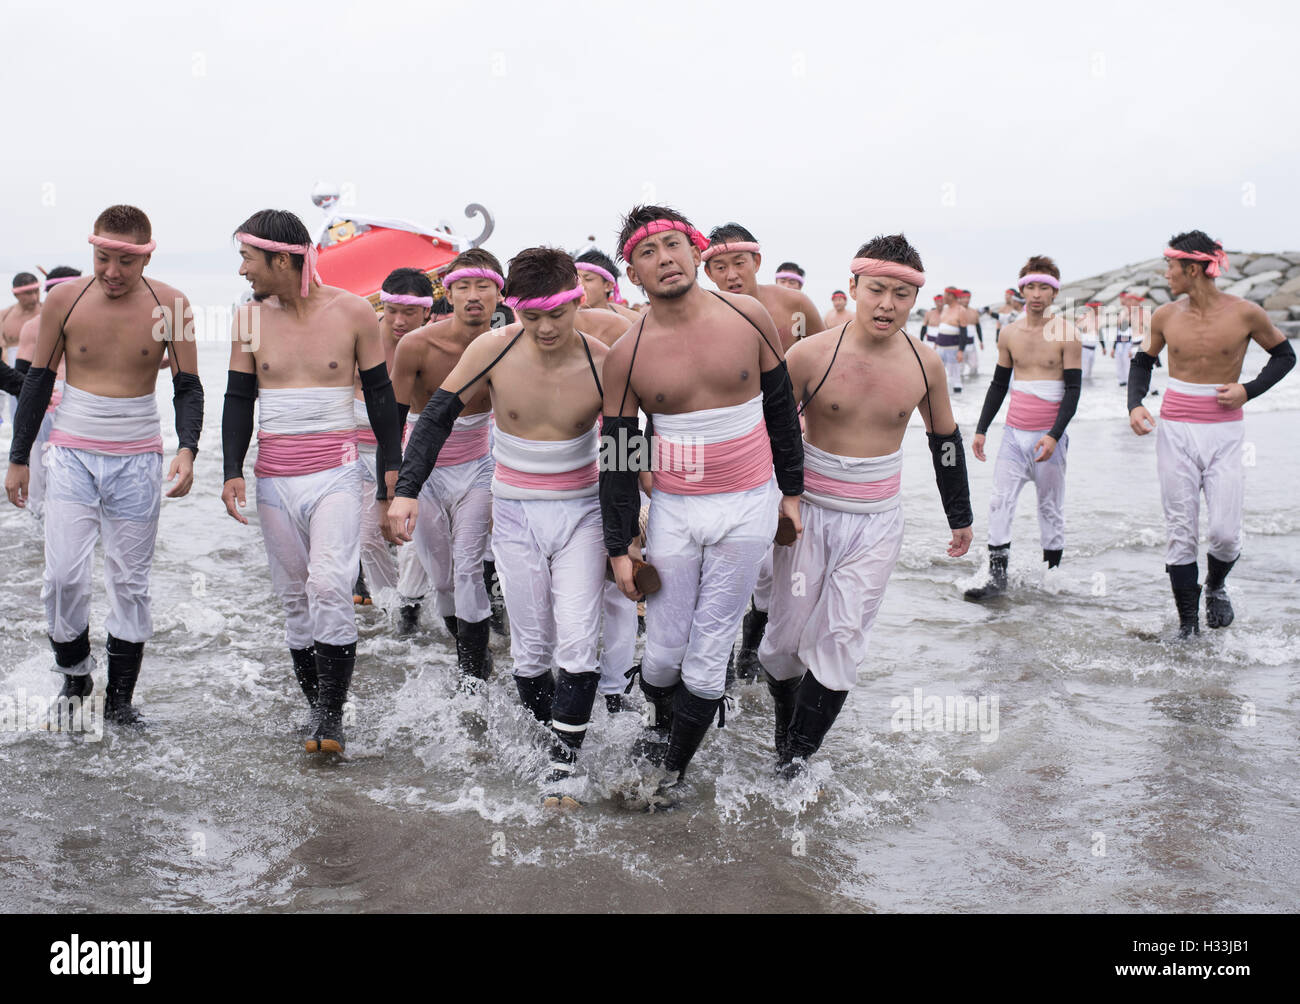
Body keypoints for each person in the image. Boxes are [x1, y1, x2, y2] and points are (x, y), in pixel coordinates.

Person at [389, 248, 610, 797]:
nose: (544, 329)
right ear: (513, 309)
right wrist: (405, 490)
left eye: (556, 314)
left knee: (579, 643)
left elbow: (628, 443)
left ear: (577, 300)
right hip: (513, 510)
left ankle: (564, 766)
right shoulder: (493, 347)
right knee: (531, 651)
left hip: (582, 511)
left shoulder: (606, 360)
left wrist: (632, 524)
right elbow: (436, 416)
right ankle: (548, 741)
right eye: (530, 316)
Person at [601, 205, 803, 793]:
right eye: (647, 252)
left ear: (695, 252)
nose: (664, 258)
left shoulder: (749, 316)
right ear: (633, 274)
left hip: (749, 502)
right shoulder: (627, 355)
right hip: (675, 510)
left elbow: (779, 410)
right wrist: (620, 547)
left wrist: (791, 493)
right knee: (663, 655)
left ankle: (669, 775)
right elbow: (618, 459)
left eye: (673, 245)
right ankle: (667, 723)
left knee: (710, 647)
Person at [761, 235, 972, 775]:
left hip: (876, 520)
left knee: (841, 637)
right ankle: (785, 738)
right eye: (876, 290)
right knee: (783, 644)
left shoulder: (925, 365)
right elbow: (769, 432)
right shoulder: (809, 354)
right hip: (807, 513)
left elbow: (943, 440)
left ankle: (797, 765)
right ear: (853, 287)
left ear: (914, 299)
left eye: (901, 294)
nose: (887, 305)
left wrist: (961, 517)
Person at [4, 205, 203, 726]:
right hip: (70, 453)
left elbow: (187, 385)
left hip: (137, 459)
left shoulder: (173, 305)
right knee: (63, 578)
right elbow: (40, 381)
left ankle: (119, 701)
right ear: (91, 250)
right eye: (101, 258)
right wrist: (19, 456)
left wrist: (187, 447)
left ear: (147, 255)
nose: (112, 272)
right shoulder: (65, 299)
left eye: (125, 261)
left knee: (129, 583)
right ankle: (75, 674)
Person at [222, 209, 403, 754]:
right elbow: (237, 397)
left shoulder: (351, 311)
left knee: (329, 584)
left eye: (248, 259)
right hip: (275, 477)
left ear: (282, 258)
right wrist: (231, 468)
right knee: (294, 598)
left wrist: (392, 466)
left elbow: (377, 394)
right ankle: (315, 709)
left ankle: (331, 715)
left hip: (337, 474)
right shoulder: (248, 317)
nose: (242, 271)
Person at [1127, 230, 1294, 636]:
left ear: (1194, 267)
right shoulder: (1166, 315)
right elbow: (1142, 362)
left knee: (1223, 534)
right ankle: (1188, 628)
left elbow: (1285, 356)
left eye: (1170, 266)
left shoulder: (1246, 313)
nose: (1166, 273)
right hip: (1176, 431)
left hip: (1224, 433)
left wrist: (1247, 391)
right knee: (1181, 531)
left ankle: (1216, 586)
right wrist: (1134, 405)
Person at [700, 224, 824, 680]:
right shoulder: (705, 312)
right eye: (719, 266)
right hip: (738, 444)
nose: (731, 274)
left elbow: (828, 360)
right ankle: (739, 652)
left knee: (787, 545)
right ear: (707, 271)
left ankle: (762, 653)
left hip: (791, 441)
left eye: (739, 263)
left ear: (757, 260)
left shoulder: (791, 306)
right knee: (741, 553)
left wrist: (809, 416)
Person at [389, 249, 504, 678]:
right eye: (463, 287)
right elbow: (394, 420)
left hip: (479, 467)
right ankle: (471, 646)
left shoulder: (511, 342)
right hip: (426, 472)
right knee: (441, 578)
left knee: (470, 565)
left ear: (499, 292)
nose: (474, 296)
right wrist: (394, 487)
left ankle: (473, 672)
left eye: (484, 286)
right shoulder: (417, 346)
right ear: (448, 294)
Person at [965, 256, 1082, 601]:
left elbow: (1073, 391)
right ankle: (996, 581)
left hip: (1050, 439)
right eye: (1030, 286)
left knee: (1050, 507)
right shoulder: (1010, 333)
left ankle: (1052, 581)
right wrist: (982, 428)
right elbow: (999, 385)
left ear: (1054, 291)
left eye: (1044, 287)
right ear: (1021, 289)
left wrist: (1054, 435)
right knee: (1000, 502)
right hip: (1014, 436)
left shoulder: (1067, 334)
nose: (1036, 294)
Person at [353, 268, 433, 622]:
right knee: (369, 534)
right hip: (358, 448)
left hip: (408, 450)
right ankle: (390, 607)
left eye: (409, 312)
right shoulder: (361, 334)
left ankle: (411, 599)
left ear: (426, 311)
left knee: (412, 533)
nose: (398, 321)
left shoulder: (432, 343)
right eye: (392, 310)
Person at [11, 269, 82, 520]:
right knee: (42, 474)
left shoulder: (36, 325)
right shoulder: (34, 327)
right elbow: (22, 377)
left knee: (68, 472)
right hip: (51, 402)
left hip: (74, 403)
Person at [576, 249, 639, 323]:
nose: (579, 285)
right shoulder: (566, 321)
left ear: (608, 285)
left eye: (588, 279)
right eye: (576, 279)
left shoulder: (632, 321)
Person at [932, 286, 971, 393]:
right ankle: (940, 394)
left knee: (955, 376)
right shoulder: (945, 309)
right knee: (935, 372)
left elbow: (964, 333)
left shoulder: (960, 310)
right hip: (940, 347)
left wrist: (961, 351)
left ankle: (959, 402)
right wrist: (936, 343)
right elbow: (942, 328)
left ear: (951, 296)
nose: (943, 297)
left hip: (953, 349)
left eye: (945, 295)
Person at [1076, 301, 1105, 379]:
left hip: (1092, 349)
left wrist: (1103, 347)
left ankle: (1089, 390)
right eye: (1097, 308)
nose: (1099, 310)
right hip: (1084, 348)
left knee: (1089, 372)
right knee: (1083, 372)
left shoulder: (1097, 319)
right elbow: (1076, 333)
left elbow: (1100, 333)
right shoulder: (1083, 318)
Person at [957, 289, 982, 378]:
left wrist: (981, 341)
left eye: (968, 298)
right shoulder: (956, 311)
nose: (966, 300)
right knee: (959, 370)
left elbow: (978, 327)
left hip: (971, 345)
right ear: (960, 298)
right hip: (959, 345)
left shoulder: (974, 311)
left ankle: (972, 389)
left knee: (974, 368)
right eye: (964, 298)